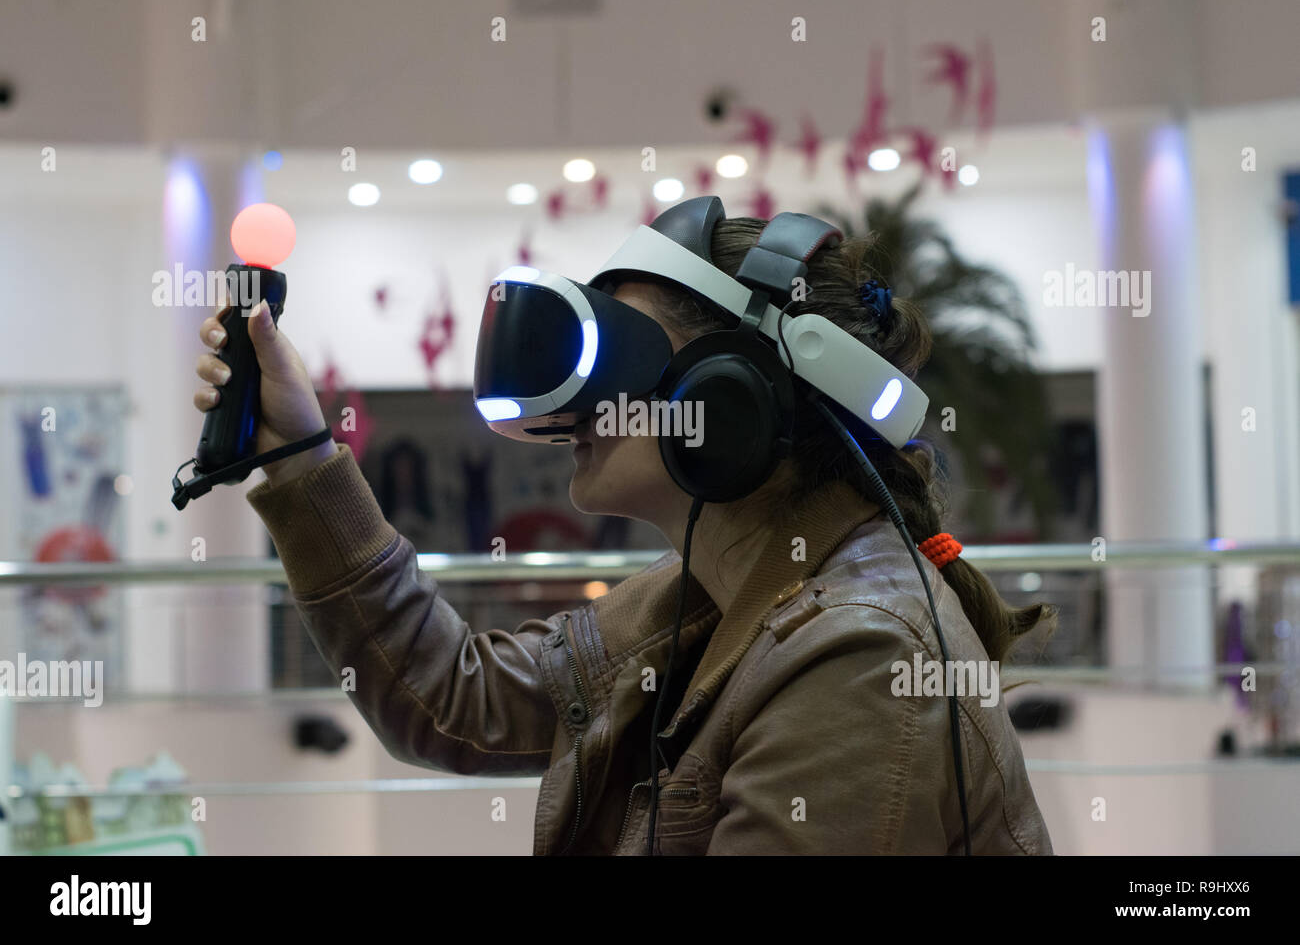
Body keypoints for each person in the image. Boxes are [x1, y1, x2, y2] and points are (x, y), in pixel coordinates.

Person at [192, 216, 1055, 855]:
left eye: (621, 361)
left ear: (730, 401)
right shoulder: (713, 590)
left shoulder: (858, 657)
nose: (571, 410)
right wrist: (303, 455)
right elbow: (453, 702)